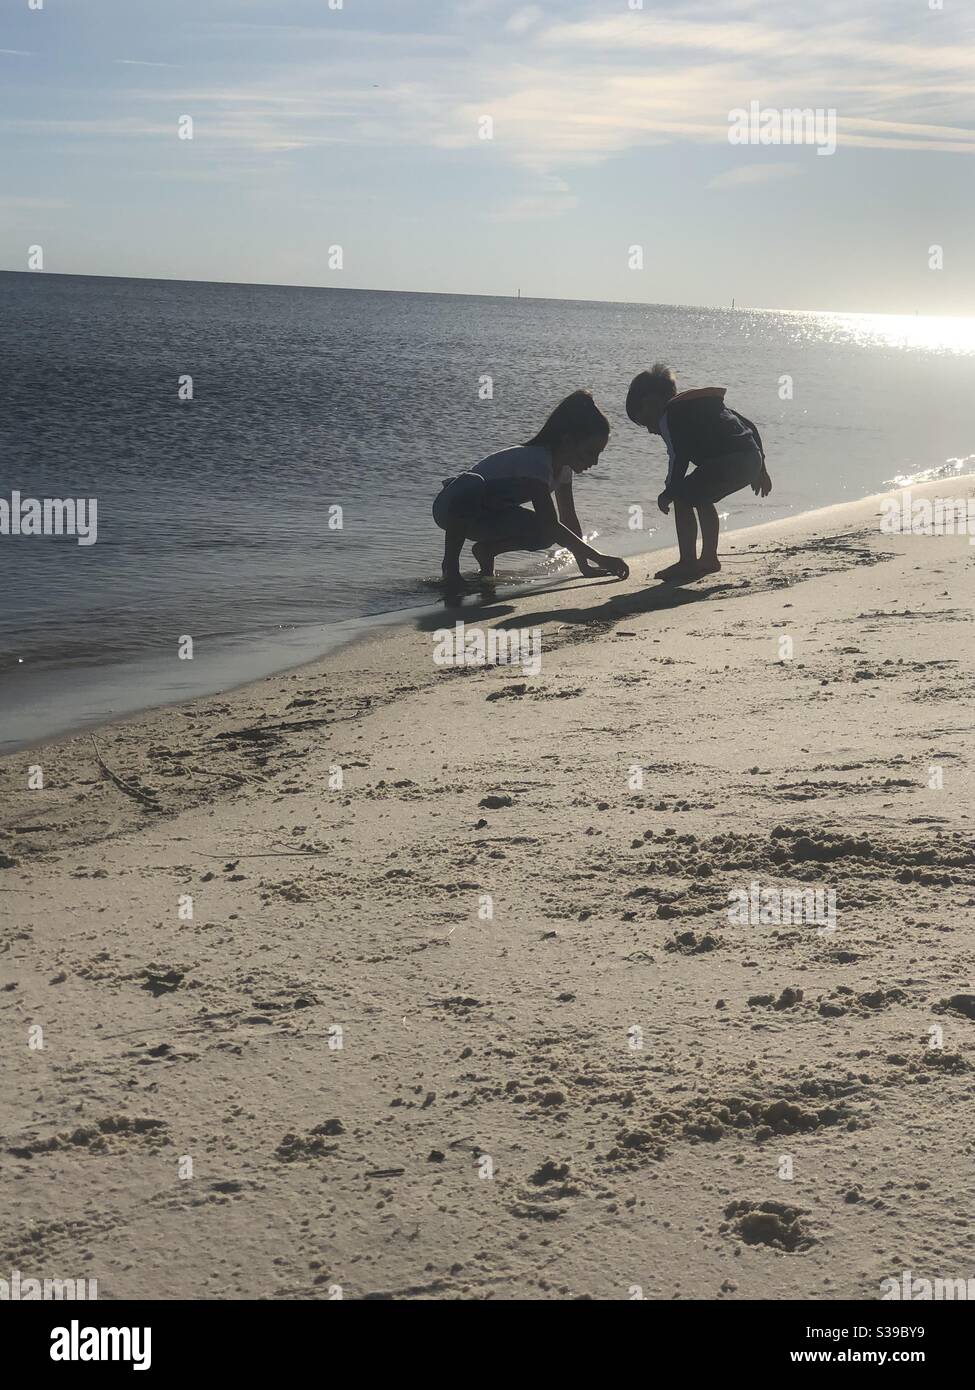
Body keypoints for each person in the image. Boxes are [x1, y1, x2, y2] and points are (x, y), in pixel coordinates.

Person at [433, 390, 629, 584]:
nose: (594, 461)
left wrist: (584, 565)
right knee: (473, 483)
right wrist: (601, 558)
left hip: (487, 517)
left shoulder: (563, 471)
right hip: (450, 508)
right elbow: (552, 523)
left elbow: (567, 518)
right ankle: (450, 568)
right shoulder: (537, 462)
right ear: (568, 441)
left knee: (543, 533)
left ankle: (487, 551)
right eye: (590, 452)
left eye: (598, 454)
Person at [626, 364, 772, 582]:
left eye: (645, 420)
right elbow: (748, 425)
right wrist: (761, 468)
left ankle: (688, 562)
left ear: (651, 402)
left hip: (730, 459)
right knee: (701, 496)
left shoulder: (669, 416)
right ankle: (708, 558)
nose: (649, 429)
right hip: (750, 456)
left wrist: (669, 491)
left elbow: (678, 457)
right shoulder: (700, 405)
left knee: (683, 497)